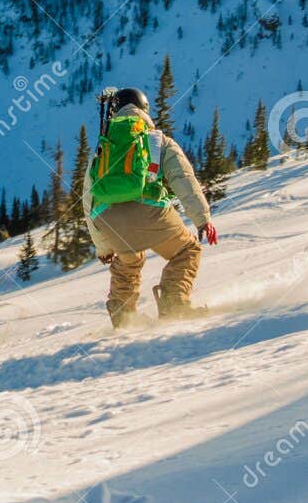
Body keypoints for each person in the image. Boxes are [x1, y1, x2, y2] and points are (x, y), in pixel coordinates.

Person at [85, 86, 218, 325]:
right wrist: (202, 218)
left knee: (129, 259)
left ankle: (123, 315)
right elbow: (183, 179)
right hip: (150, 211)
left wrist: (103, 247)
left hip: (108, 219)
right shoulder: (157, 140)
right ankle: (173, 303)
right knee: (187, 251)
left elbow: (89, 200)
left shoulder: (102, 148)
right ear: (144, 109)